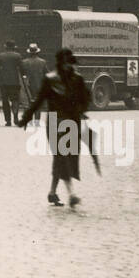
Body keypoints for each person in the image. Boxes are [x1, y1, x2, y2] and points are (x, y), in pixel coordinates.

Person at [19, 48, 91, 207]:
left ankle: (52, 193)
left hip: (71, 122)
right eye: (65, 63)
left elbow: (84, 100)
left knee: (65, 157)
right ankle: (72, 193)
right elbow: (38, 101)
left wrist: (82, 112)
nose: (68, 66)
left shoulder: (77, 79)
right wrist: (26, 117)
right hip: (55, 122)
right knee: (62, 156)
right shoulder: (50, 79)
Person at [0, 39, 24, 126]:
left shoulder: (0, 56)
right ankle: (15, 116)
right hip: (15, 82)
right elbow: (22, 68)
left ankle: (8, 120)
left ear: (5, 47)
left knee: (5, 101)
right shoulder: (17, 56)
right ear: (14, 47)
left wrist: (1, 74)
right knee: (15, 99)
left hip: (3, 82)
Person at [20, 43, 47, 116]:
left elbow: (22, 74)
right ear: (37, 52)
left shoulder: (24, 62)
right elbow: (46, 73)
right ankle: (37, 120)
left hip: (28, 85)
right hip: (39, 84)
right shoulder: (42, 62)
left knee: (28, 103)